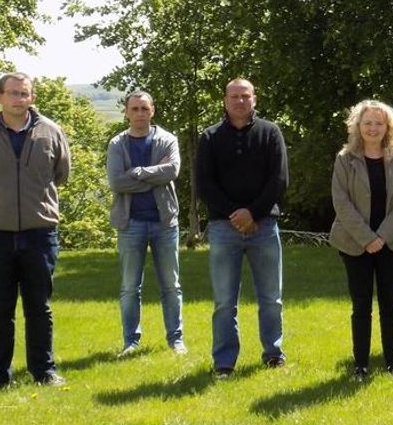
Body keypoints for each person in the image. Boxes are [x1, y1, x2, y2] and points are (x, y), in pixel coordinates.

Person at [0, 72, 71, 392]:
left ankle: (43, 371)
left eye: (25, 93)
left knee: (39, 307)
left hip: (40, 233)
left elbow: (61, 174)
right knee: (0, 309)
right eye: (12, 93)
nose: (19, 99)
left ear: (32, 97)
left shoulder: (51, 131)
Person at [195, 78, 289, 377]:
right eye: (233, 96)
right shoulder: (209, 137)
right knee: (224, 302)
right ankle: (224, 362)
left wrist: (253, 212)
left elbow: (279, 179)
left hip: (265, 226)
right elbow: (204, 184)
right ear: (225, 100)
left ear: (254, 99)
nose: (239, 101)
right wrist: (234, 215)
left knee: (271, 299)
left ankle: (273, 354)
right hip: (224, 228)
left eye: (245, 96)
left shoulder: (270, 132)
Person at [329, 100, 393, 379]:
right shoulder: (345, 158)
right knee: (361, 305)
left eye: (379, 123)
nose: (373, 128)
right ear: (358, 126)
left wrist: (381, 236)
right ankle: (361, 365)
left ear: (388, 126)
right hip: (355, 243)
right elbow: (340, 202)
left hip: (392, 242)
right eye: (367, 123)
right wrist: (367, 238)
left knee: (390, 304)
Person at [105, 90, 185, 356]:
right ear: (126, 112)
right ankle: (131, 341)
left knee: (171, 286)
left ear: (152, 111)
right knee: (130, 287)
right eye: (134, 109)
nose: (139, 114)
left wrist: (137, 173)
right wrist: (154, 175)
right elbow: (116, 182)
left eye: (144, 108)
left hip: (164, 222)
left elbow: (172, 171)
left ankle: (176, 339)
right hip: (130, 223)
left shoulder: (167, 139)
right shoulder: (117, 144)